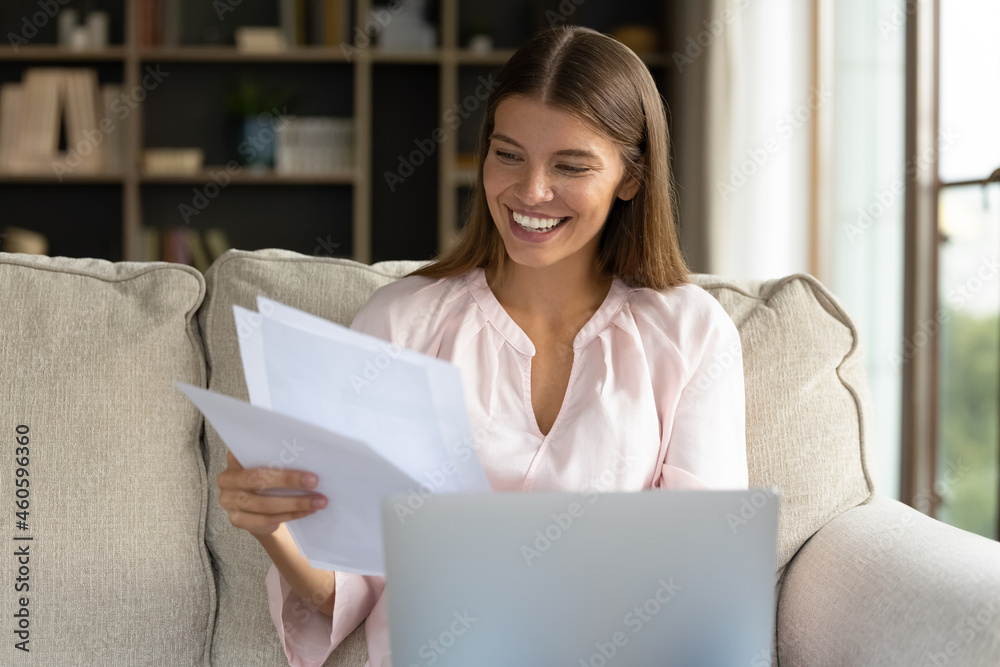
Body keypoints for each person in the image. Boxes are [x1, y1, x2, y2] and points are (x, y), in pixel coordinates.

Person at [216, 25, 747, 667]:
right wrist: (274, 528)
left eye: (571, 166)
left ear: (630, 178)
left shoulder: (689, 331)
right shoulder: (402, 324)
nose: (530, 191)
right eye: (508, 154)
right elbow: (346, 591)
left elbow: (701, 587)